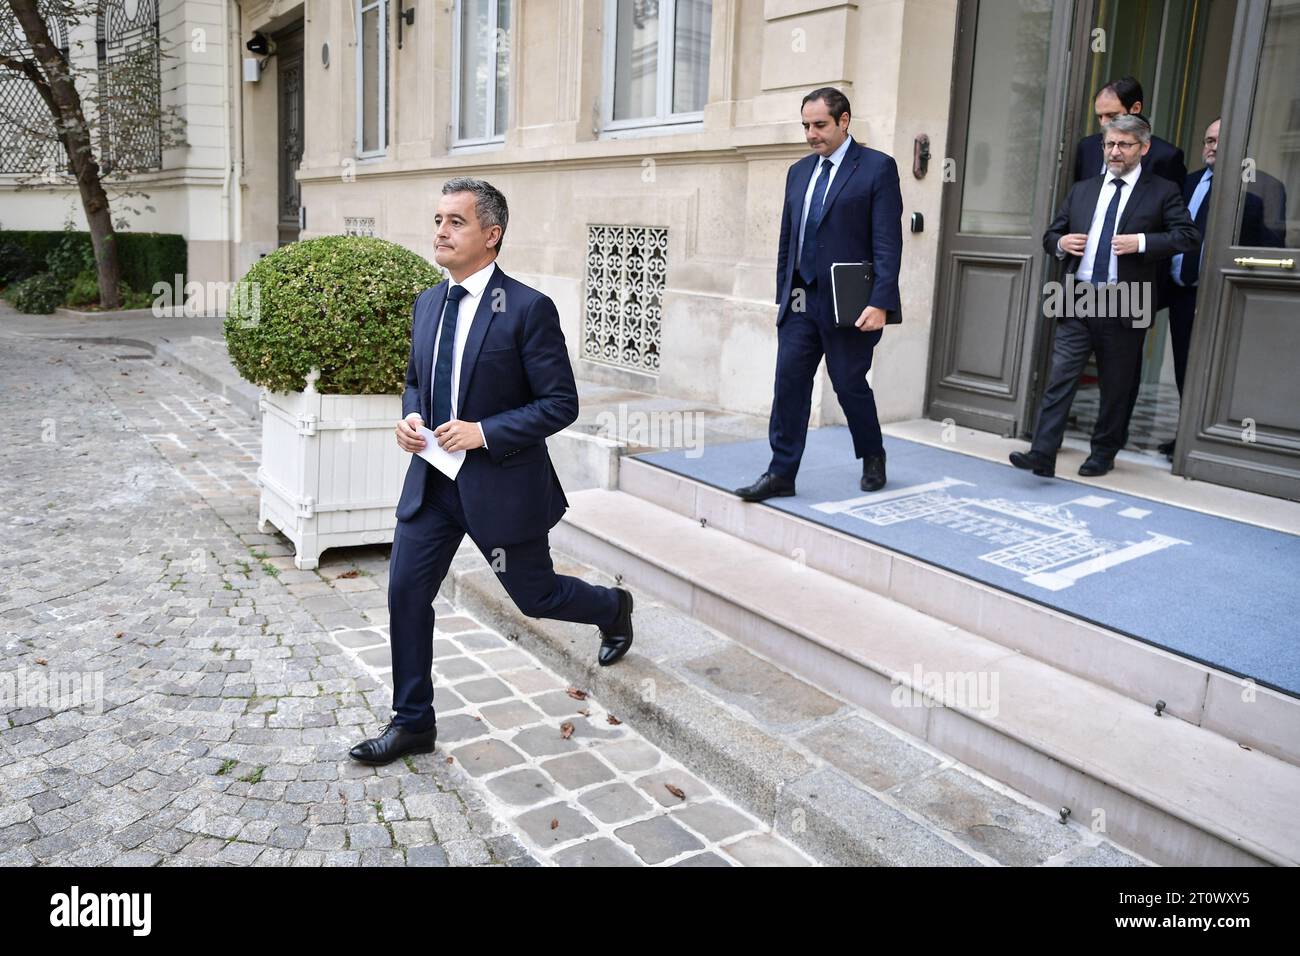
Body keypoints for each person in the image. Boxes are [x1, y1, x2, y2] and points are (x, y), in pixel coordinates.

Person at [349, 178, 634, 766]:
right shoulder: (429, 302)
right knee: (405, 592)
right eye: (437, 220)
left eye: (455, 221)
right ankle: (413, 722)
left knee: (535, 595)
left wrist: (485, 432)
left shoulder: (527, 309)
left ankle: (612, 608)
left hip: (500, 484)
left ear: (491, 234)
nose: (440, 232)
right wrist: (410, 415)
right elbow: (415, 380)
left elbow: (560, 404)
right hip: (433, 483)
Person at [734, 86, 903, 503]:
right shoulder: (798, 172)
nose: (812, 134)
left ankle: (873, 454)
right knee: (789, 385)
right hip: (800, 302)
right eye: (806, 126)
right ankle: (780, 473)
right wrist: (783, 293)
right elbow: (787, 238)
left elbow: (887, 242)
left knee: (849, 385)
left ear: (844, 121)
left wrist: (880, 301)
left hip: (850, 303)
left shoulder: (877, 168)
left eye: (820, 125)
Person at [1011, 115, 1199, 479]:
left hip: (1126, 298)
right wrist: (1062, 243)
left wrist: (1142, 242)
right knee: (1060, 378)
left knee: (1116, 385)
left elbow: (1188, 236)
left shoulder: (1161, 191)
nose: (1114, 151)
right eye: (1110, 144)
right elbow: (1052, 235)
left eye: (1124, 145)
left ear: (1143, 147)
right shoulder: (1083, 189)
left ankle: (1103, 452)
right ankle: (1042, 453)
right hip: (1077, 295)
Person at [1073, 76, 1186, 187]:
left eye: (1111, 115)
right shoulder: (1087, 147)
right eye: (1100, 117)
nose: (1103, 123)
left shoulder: (1165, 157)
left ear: (1135, 109)